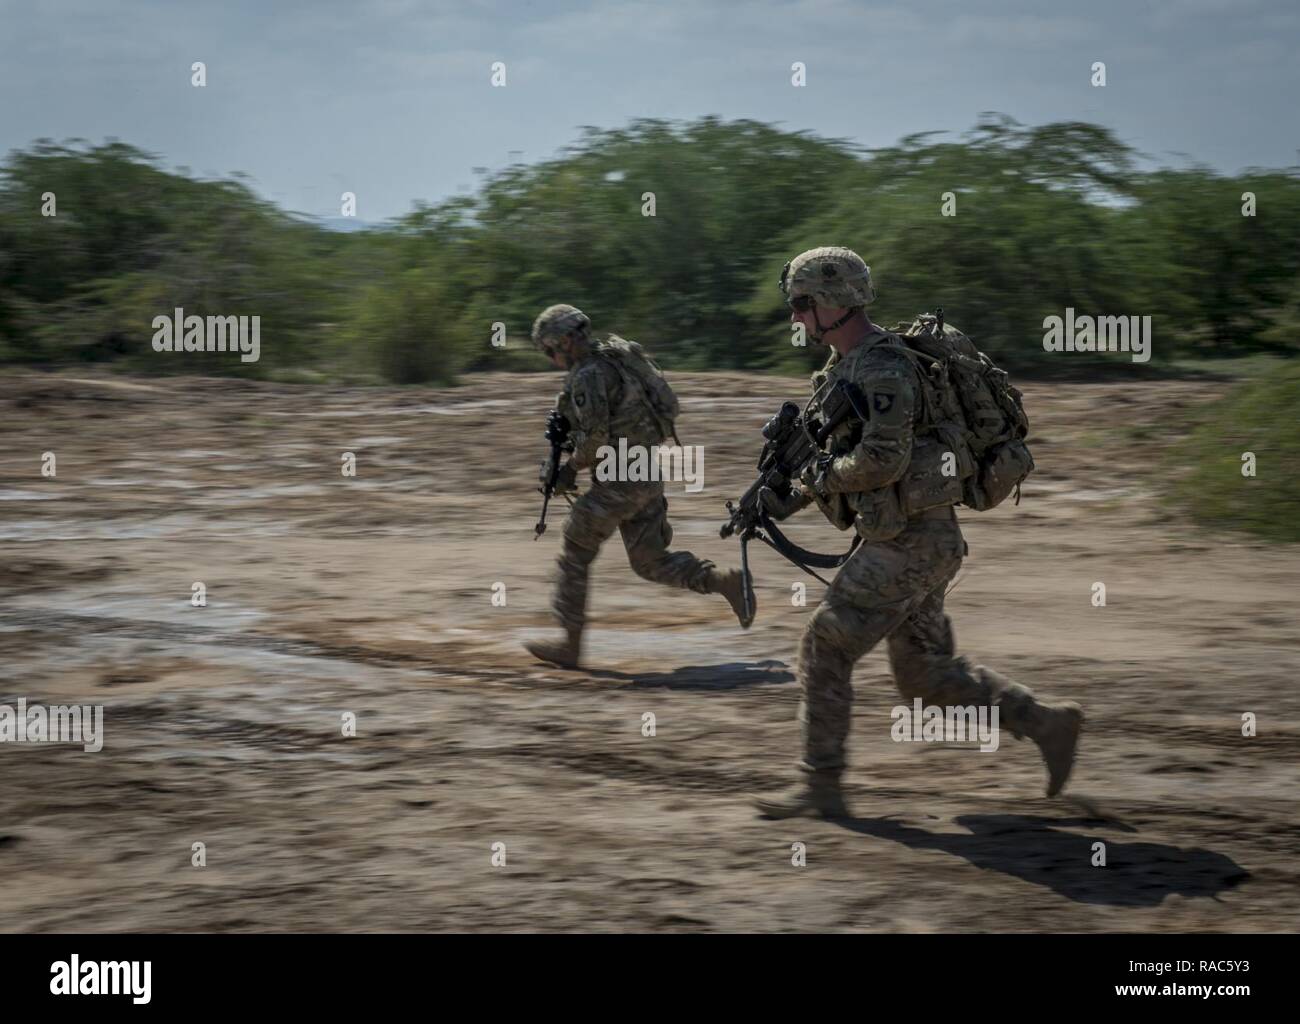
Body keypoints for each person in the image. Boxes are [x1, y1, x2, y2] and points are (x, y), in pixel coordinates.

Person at [750, 248, 1083, 819]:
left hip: (910, 543)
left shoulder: (883, 369)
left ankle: (820, 788)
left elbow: (881, 460)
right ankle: (1046, 723)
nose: (797, 318)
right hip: (922, 542)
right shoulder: (842, 370)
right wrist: (783, 499)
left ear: (833, 303)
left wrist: (816, 476)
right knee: (923, 676)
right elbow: (839, 454)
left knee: (826, 644)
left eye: (803, 305)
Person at [525, 304, 754, 669]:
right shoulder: (616, 359)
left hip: (621, 479)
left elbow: (597, 439)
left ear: (566, 342)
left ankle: (569, 642)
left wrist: (567, 470)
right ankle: (724, 582)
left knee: (575, 548)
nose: (551, 358)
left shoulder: (587, 374)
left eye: (550, 350)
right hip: (644, 473)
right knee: (649, 560)